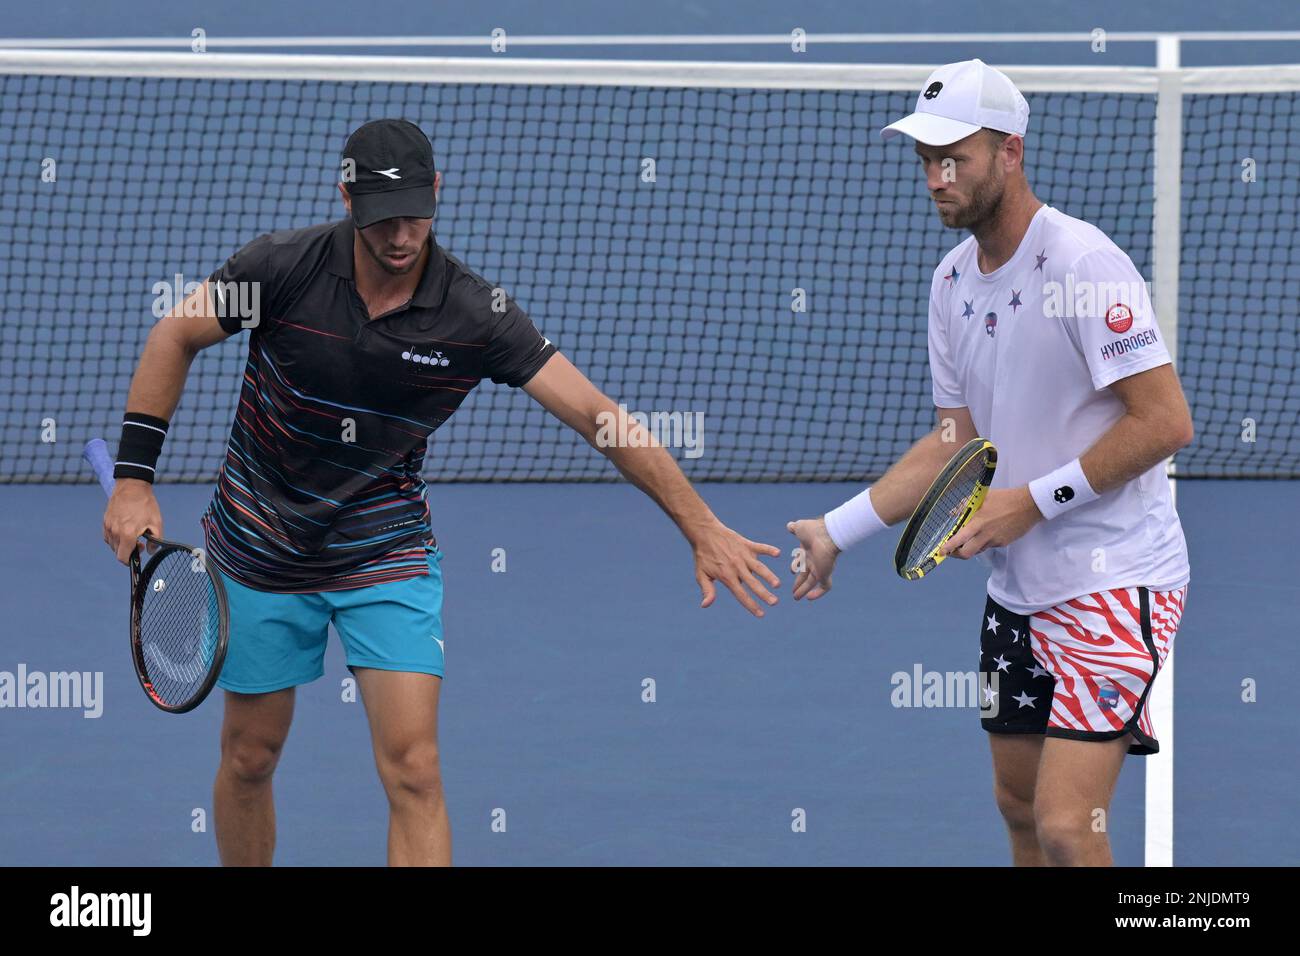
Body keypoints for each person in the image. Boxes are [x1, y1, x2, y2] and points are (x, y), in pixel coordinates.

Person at [102, 118, 781, 866]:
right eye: (384, 218)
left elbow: (599, 418)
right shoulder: (280, 269)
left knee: (415, 770)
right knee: (249, 758)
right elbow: (175, 337)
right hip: (260, 544)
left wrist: (700, 525)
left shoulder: (473, 315)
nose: (401, 235)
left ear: (439, 196)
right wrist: (134, 479)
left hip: (383, 551)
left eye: (417, 214)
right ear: (346, 197)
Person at [787, 60, 1192, 866]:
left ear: (1010, 151)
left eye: (954, 158)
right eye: (925, 159)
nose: (936, 178)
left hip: (1115, 580)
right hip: (1017, 591)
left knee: (1070, 829)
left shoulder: (1082, 263)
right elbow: (954, 442)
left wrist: (1031, 503)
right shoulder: (949, 283)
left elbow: (1165, 421)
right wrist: (841, 529)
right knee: (1016, 808)